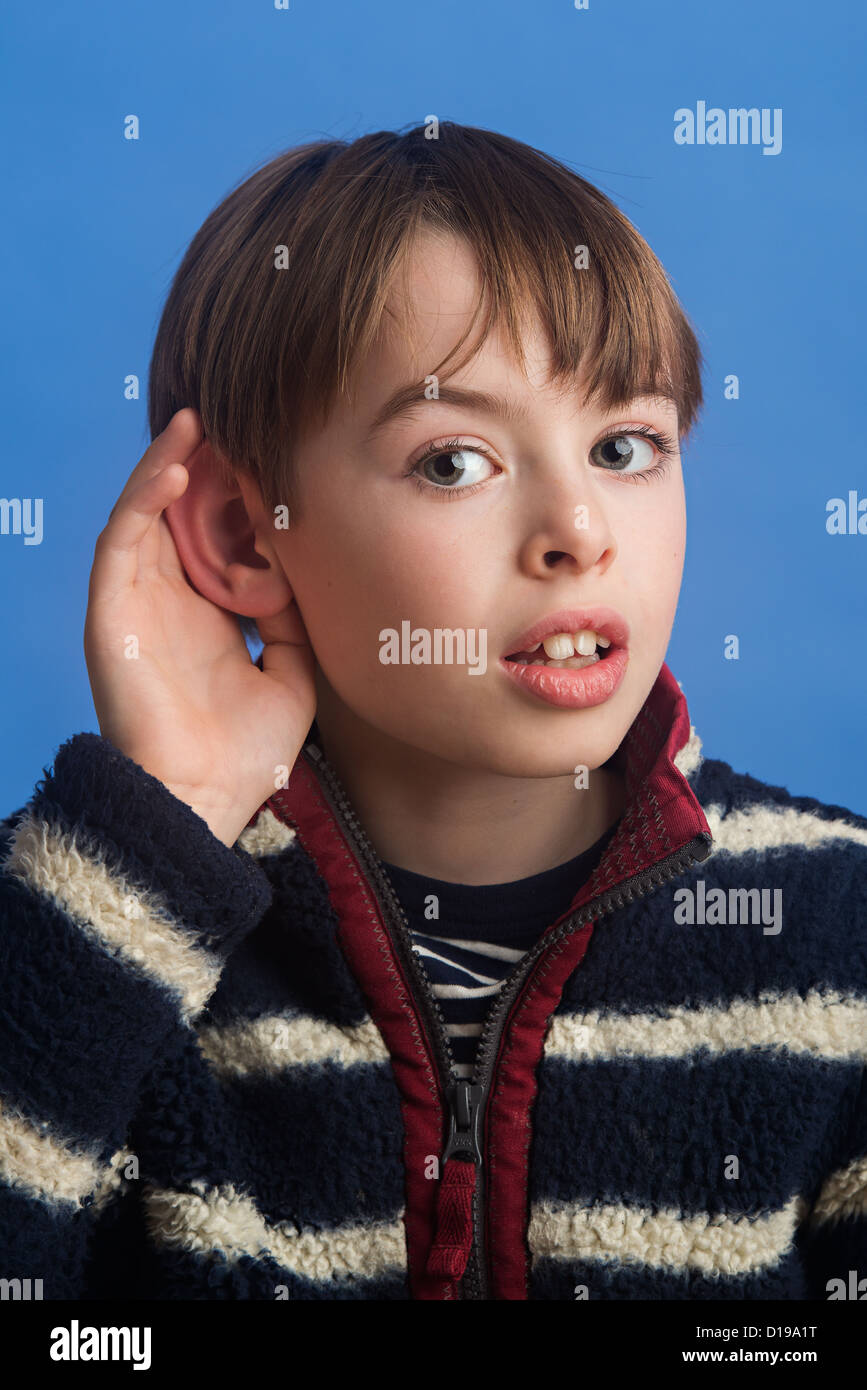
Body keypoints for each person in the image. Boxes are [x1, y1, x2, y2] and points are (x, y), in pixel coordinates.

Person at [0, 123, 864, 1301]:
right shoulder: (83, 931)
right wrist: (173, 816)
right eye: (454, 461)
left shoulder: (836, 929)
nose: (580, 527)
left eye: (626, 444)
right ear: (250, 535)